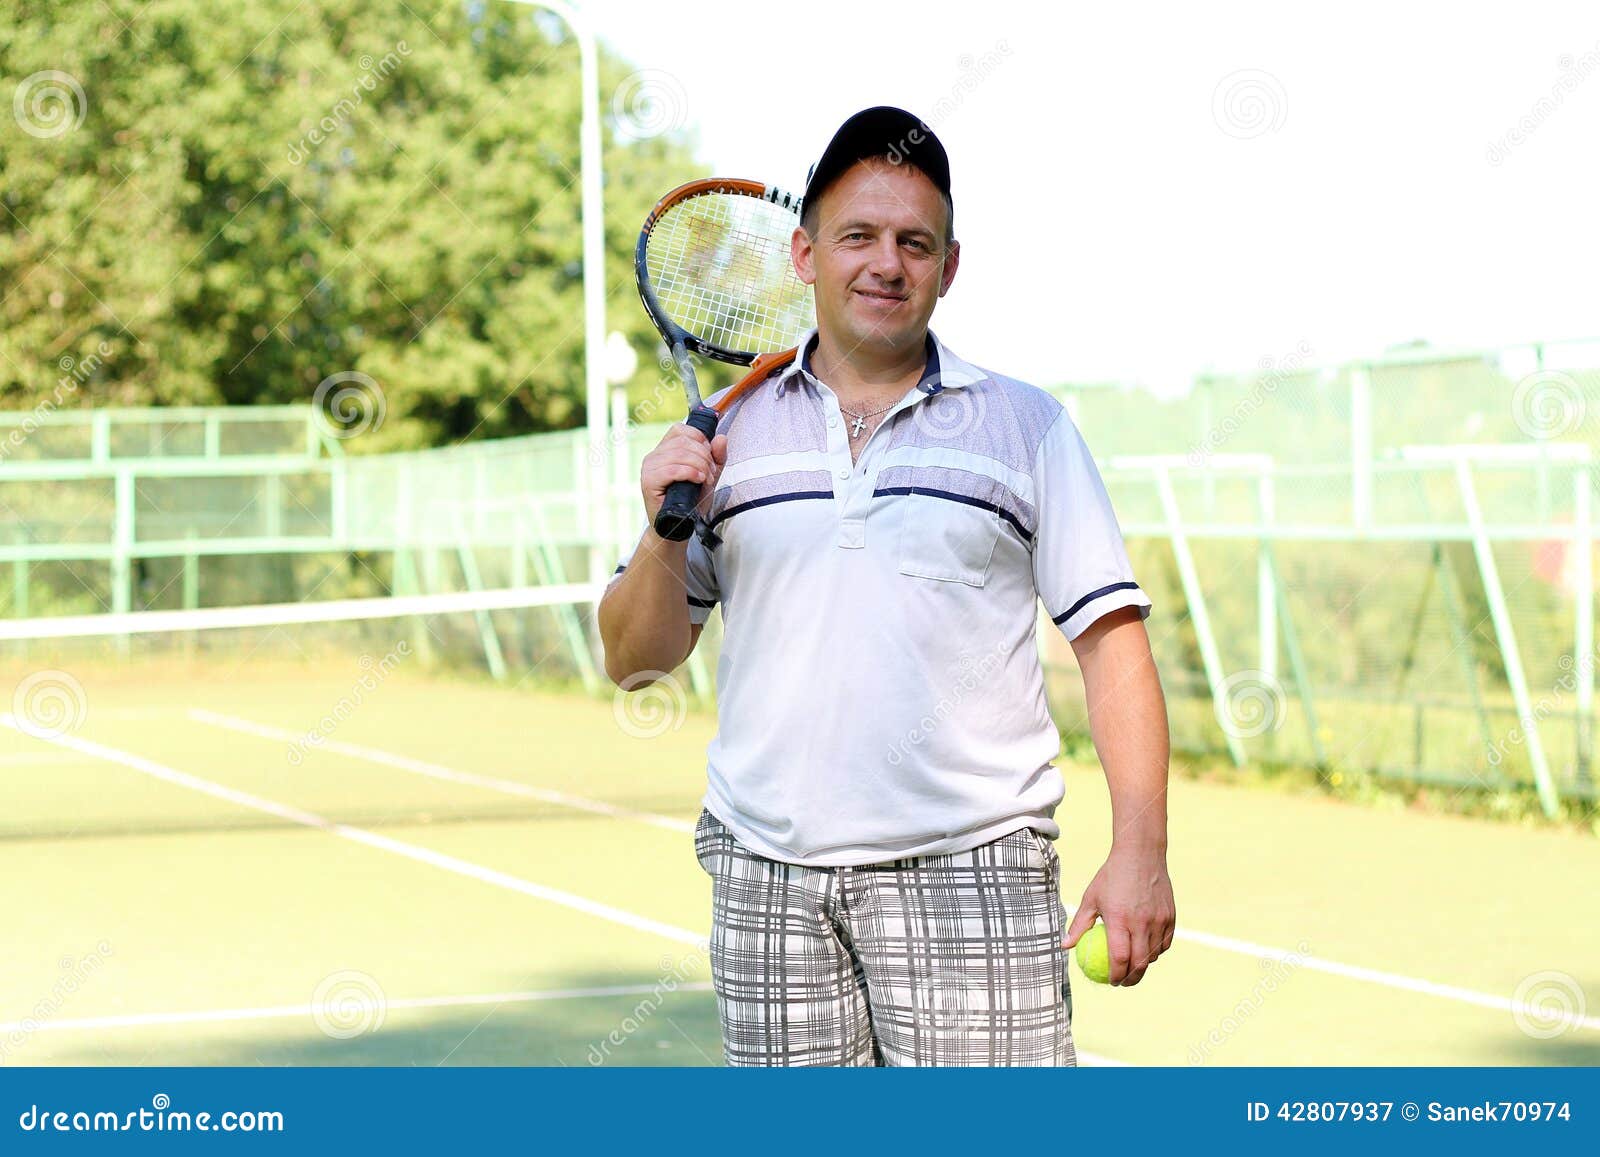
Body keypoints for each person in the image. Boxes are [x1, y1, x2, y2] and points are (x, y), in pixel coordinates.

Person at [598, 106, 1175, 1067]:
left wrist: (1141, 851)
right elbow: (632, 658)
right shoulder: (724, 445)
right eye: (857, 236)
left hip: (972, 875)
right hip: (766, 884)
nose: (886, 263)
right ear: (805, 253)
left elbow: (1112, 643)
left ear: (949, 267)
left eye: (916, 242)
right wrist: (662, 520)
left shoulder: (1026, 427)